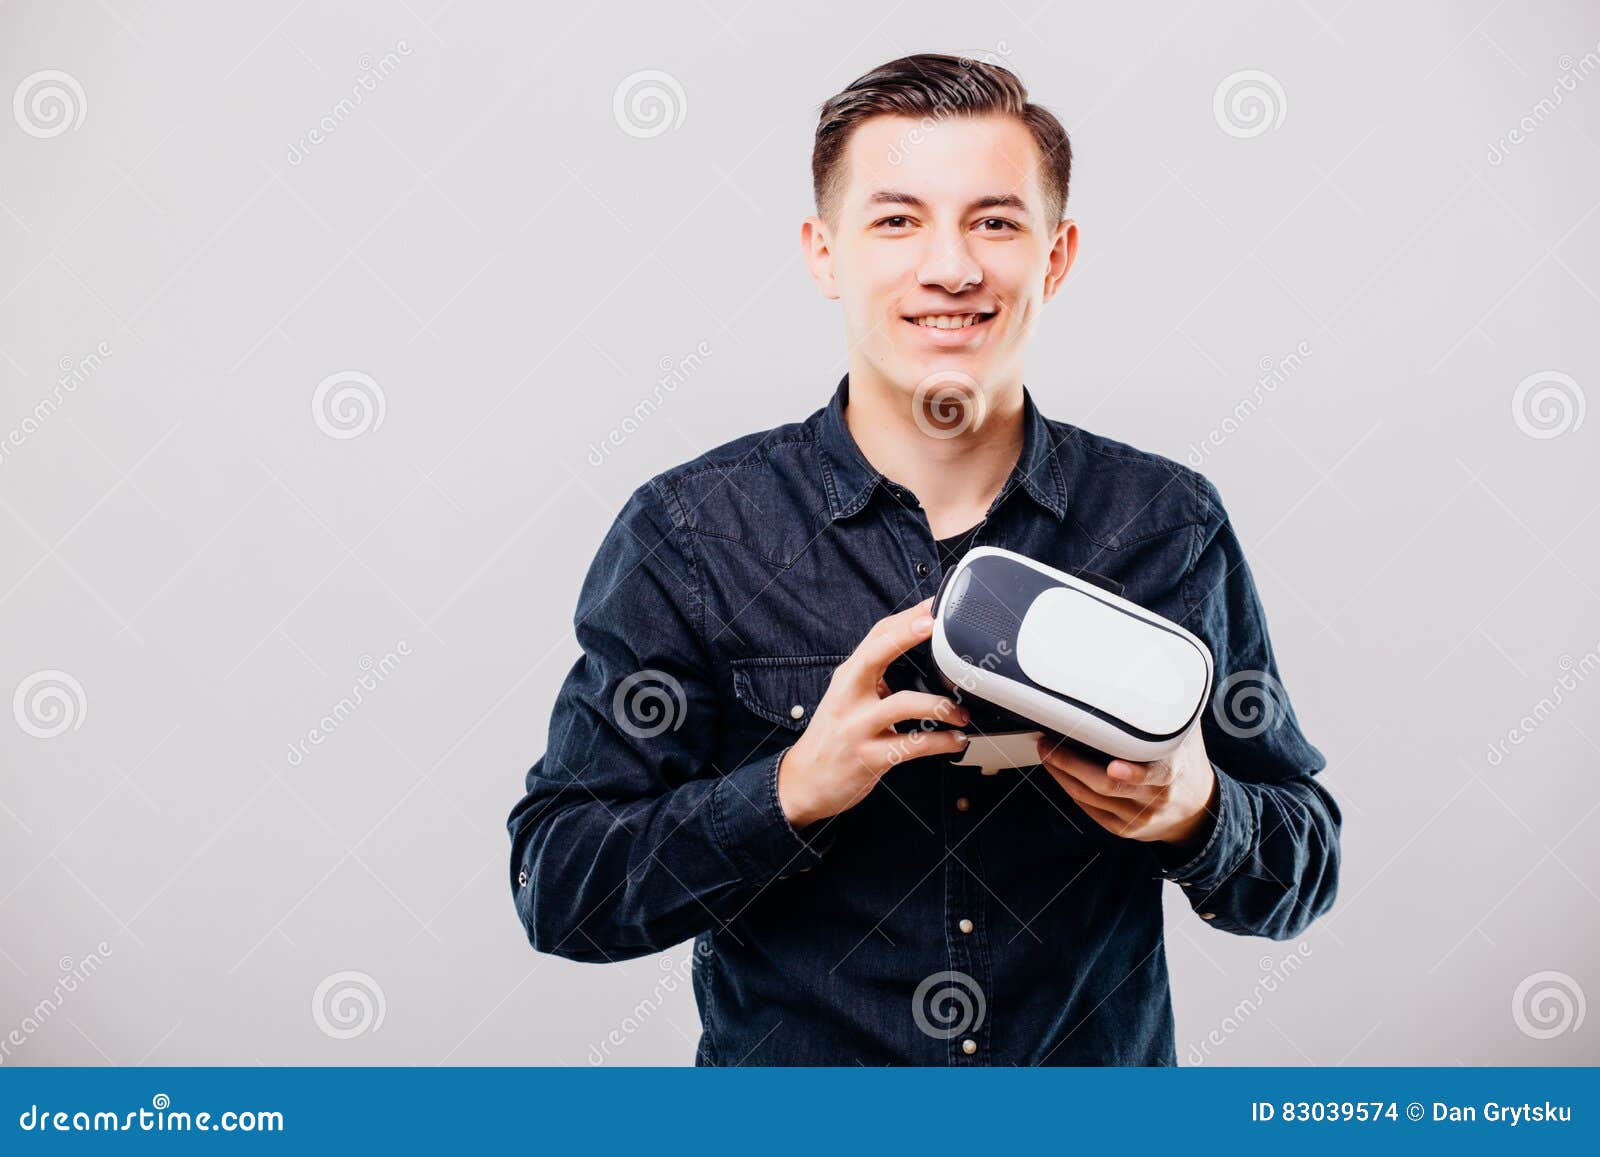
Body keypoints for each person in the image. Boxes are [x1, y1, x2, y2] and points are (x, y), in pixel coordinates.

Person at [506, 52, 1340, 1065]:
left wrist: (1198, 810)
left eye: (995, 220)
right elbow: (560, 886)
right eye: (896, 220)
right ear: (823, 253)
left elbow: (1302, 862)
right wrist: (788, 790)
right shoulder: (693, 534)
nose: (951, 266)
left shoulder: (1164, 521)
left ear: (1056, 254)